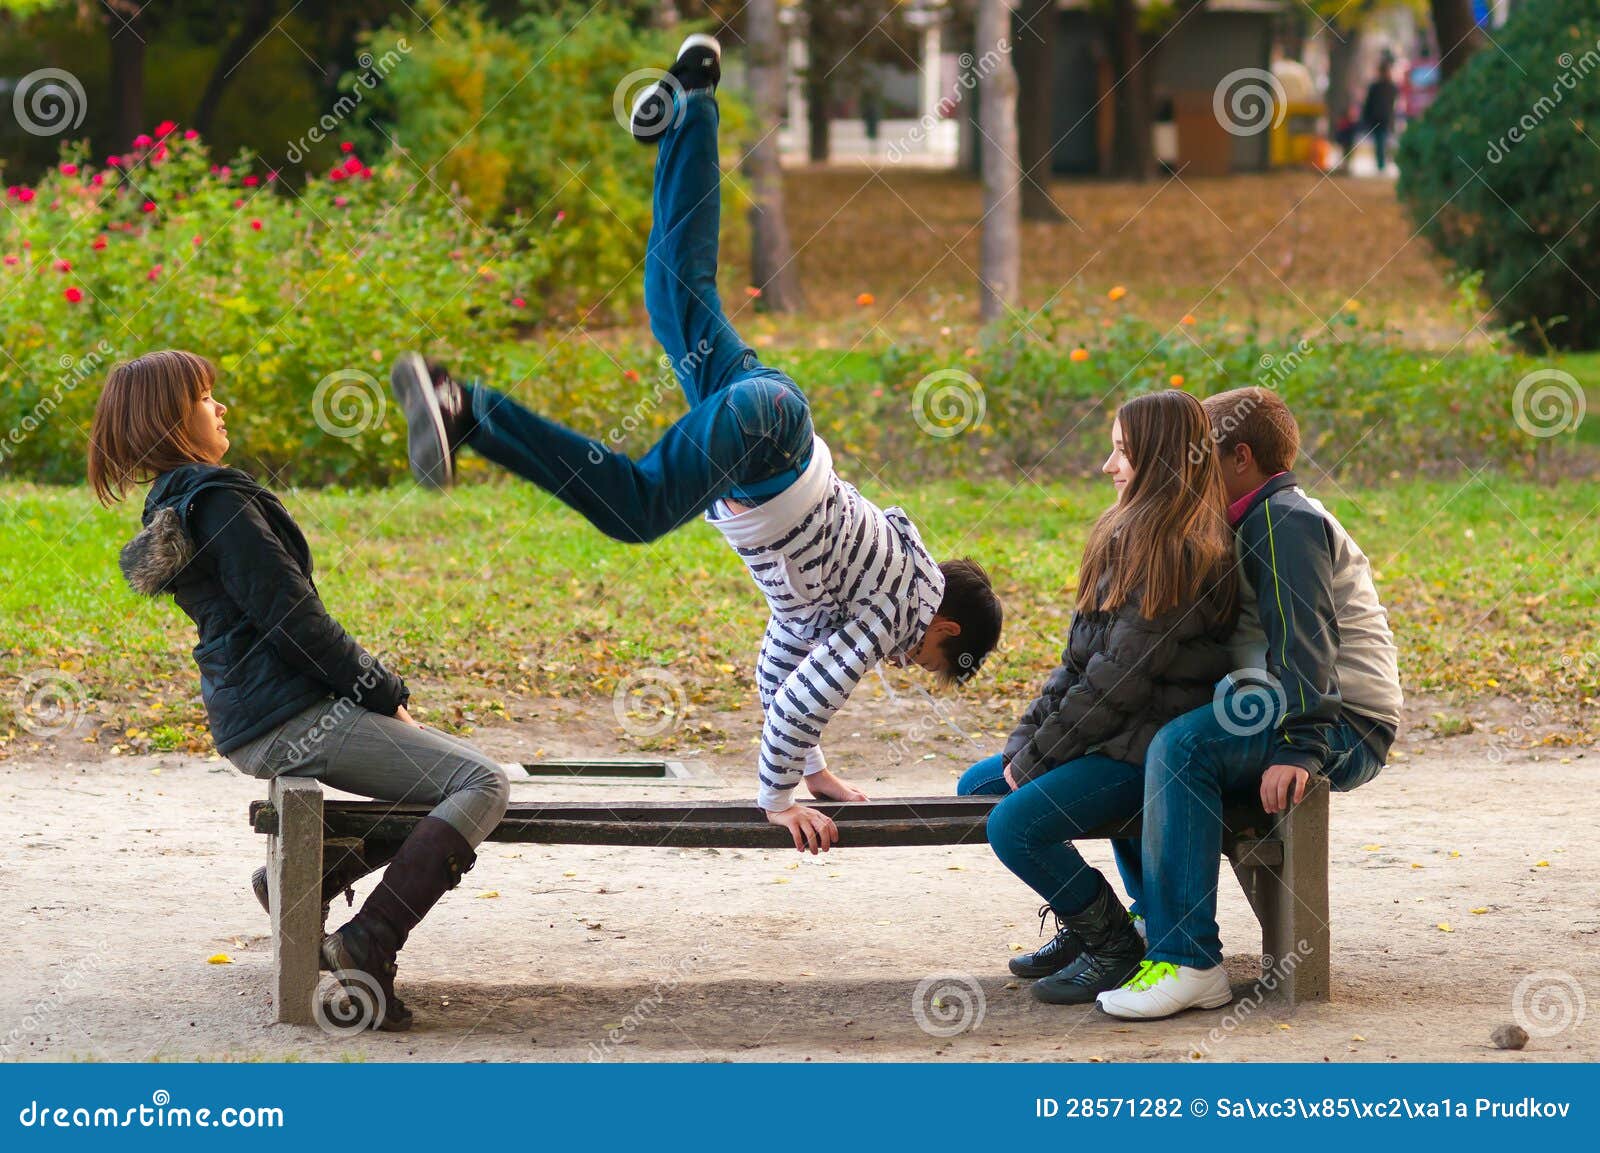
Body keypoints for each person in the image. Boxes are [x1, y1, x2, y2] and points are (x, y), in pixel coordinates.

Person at [388, 35, 1003, 855]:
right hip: (765, 443)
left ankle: (691, 104)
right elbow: (805, 696)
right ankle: (466, 408)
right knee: (636, 508)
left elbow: (781, 669)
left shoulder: (860, 593)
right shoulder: (895, 609)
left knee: (674, 285)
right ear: (946, 630)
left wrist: (813, 770)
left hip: (771, 421)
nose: (907, 666)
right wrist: (779, 797)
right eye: (928, 663)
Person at [89, 350, 509, 1032]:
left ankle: (311, 873)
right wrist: (382, 691)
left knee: (452, 775)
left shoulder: (181, 501)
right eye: (203, 398)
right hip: (286, 716)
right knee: (482, 782)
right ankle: (366, 940)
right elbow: (296, 622)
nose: (219, 407)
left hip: (256, 716)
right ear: (171, 419)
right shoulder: (217, 502)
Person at [1097, 387, 1401, 1020]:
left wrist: (1300, 746)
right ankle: (1157, 918)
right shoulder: (1245, 519)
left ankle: (1191, 961)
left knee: (1183, 748)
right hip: (1284, 709)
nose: (1186, 470)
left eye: (1197, 456)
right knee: (1141, 740)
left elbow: (1305, 642)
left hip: (1342, 722)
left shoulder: (1284, 519)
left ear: (1240, 457)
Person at [958, 390, 1239, 1005]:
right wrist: (1022, 747)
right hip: (1112, 737)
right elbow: (1075, 667)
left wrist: (1037, 762)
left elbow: (1117, 683)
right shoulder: (1127, 535)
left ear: (1161, 461)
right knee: (979, 786)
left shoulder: (1182, 553)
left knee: (1012, 825)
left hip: (1145, 756)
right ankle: (1101, 927)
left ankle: (1112, 944)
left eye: (1121, 453)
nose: (1107, 466)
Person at [1361, 58, 1398, 172]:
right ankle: (1382, 162)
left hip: (1380, 118)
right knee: (1381, 140)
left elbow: (1368, 103)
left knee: (1380, 141)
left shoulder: (1378, 87)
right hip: (1382, 118)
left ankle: (1381, 163)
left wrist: (1366, 116)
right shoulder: (1390, 87)